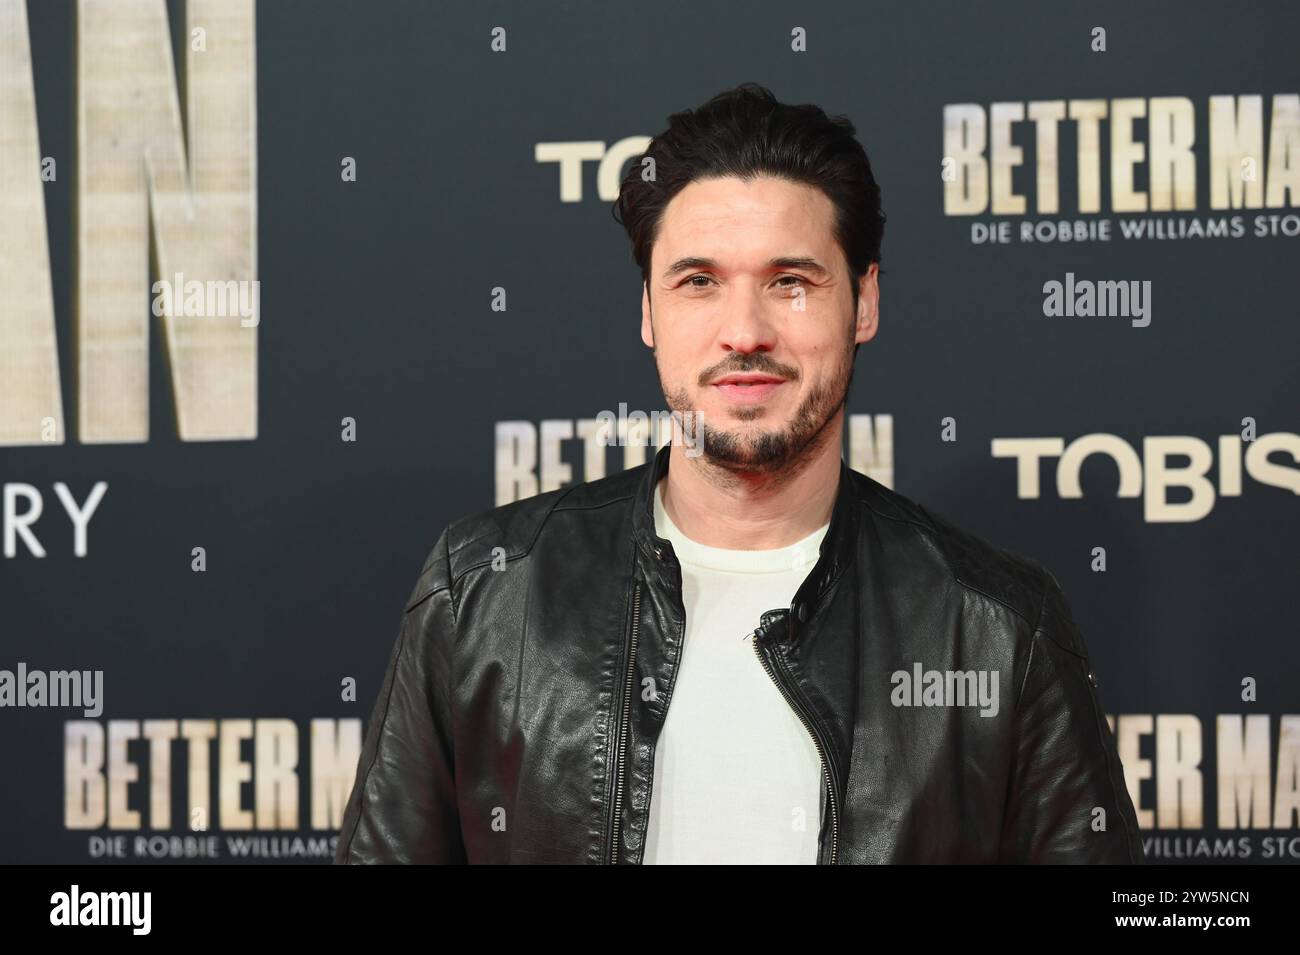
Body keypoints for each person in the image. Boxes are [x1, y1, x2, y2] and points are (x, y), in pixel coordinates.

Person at [334, 82, 1142, 864]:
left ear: (864, 303)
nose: (744, 331)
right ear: (649, 311)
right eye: (699, 282)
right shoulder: (481, 594)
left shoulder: (999, 630)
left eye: (790, 281)